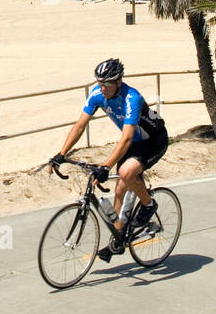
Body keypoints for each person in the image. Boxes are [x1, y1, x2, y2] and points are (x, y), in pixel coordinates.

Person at [50, 58, 168, 263]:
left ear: (119, 82)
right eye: (99, 83)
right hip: (132, 143)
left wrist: (106, 166)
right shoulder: (97, 95)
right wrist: (62, 153)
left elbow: (127, 137)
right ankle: (118, 239)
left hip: (153, 141)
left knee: (125, 173)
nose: (102, 88)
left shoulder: (132, 98)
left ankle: (148, 205)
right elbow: (80, 126)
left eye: (107, 84)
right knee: (120, 190)